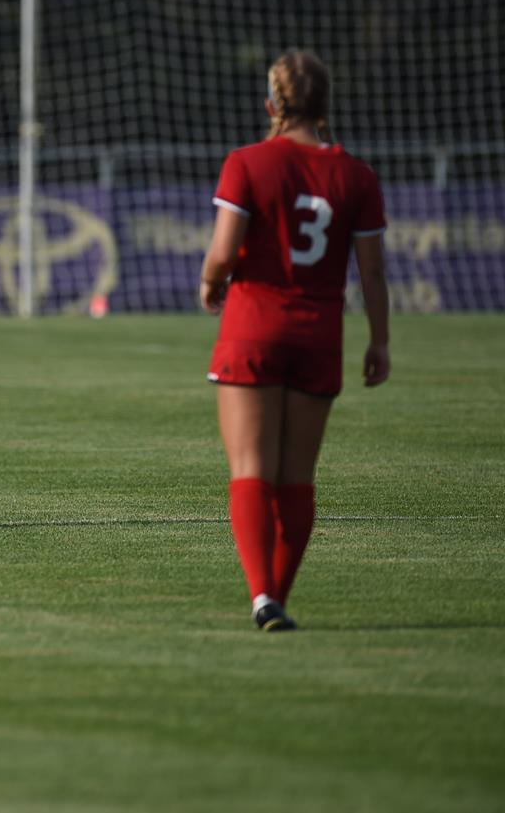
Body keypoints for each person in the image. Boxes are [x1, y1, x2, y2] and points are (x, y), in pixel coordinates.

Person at [199, 50, 390, 632]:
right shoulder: (357, 176)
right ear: (325, 106)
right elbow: (372, 272)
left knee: (251, 467)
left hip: (254, 325)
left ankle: (261, 595)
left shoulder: (248, 162)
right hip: (318, 333)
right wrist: (379, 341)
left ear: (271, 104)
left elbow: (225, 252)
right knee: (297, 475)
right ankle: (277, 595)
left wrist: (211, 284)